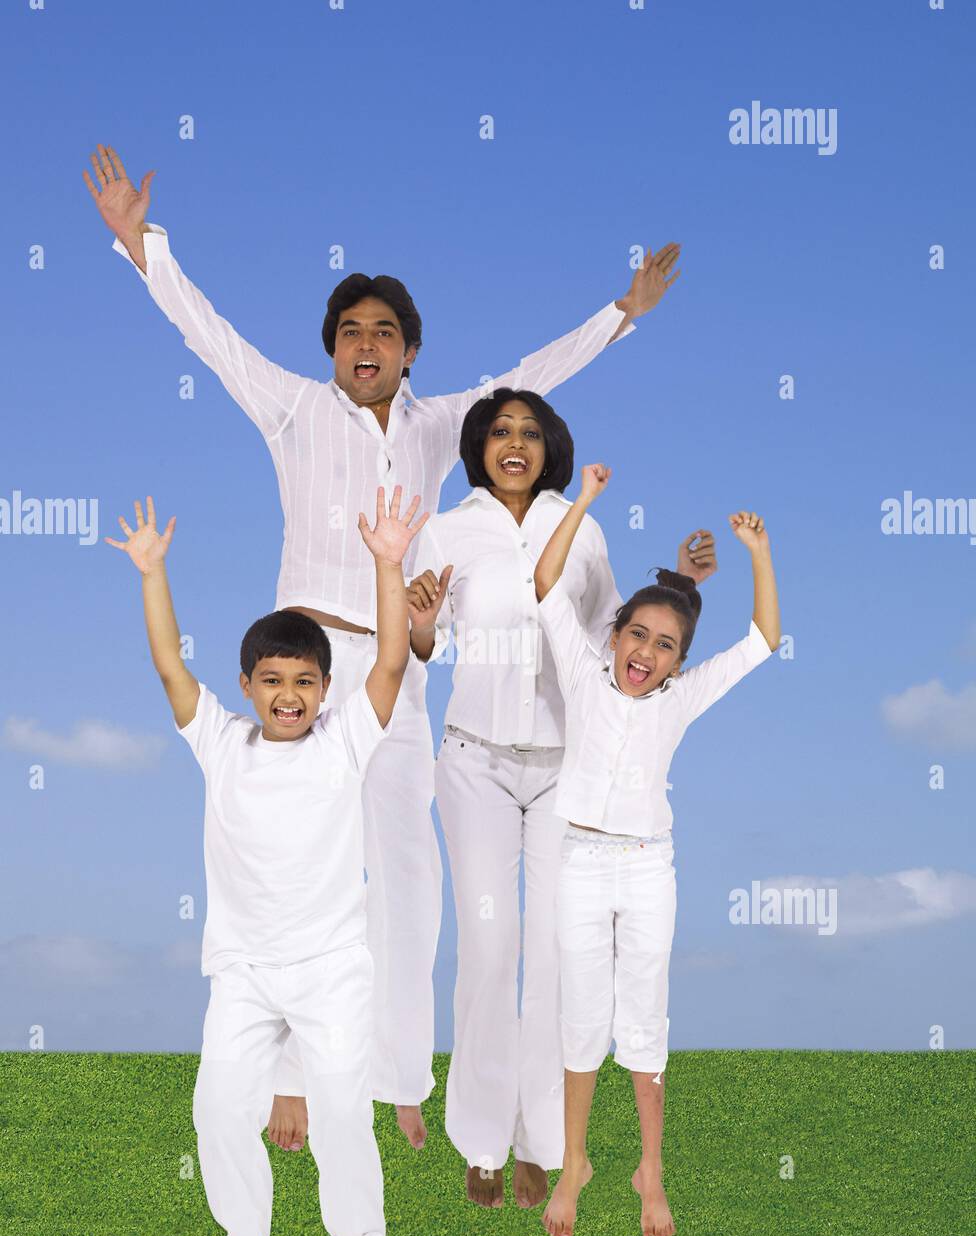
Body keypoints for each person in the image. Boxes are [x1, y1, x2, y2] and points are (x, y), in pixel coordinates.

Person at [83, 142, 682, 1153]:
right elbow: (210, 336)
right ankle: (288, 1076)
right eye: (350, 331)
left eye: (386, 332)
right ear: (331, 349)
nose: (367, 343)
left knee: (410, 874)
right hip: (310, 664)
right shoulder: (291, 407)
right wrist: (141, 244)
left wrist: (621, 314)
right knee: (299, 857)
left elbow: (530, 378)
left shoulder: (441, 421)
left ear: (410, 352)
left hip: (399, 669)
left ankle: (399, 1077)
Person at [105, 485, 428, 1236]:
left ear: (325, 690)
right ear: (247, 685)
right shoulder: (221, 743)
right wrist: (152, 572)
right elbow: (168, 664)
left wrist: (388, 563)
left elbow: (390, 660)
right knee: (217, 1107)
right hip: (244, 970)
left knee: (344, 1113)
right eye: (274, 680)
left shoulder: (345, 741)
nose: (290, 695)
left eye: (307, 682)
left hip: (331, 967)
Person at [407, 390, 716, 1209]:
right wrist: (424, 628)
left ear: (552, 449)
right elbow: (421, 641)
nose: (516, 444)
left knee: (552, 952)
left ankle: (543, 1143)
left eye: (531, 433)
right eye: (501, 431)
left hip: (562, 772)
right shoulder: (447, 530)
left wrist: (683, 585)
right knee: (488, 943)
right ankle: (479, 1141)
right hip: (472, 760)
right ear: (478, 446)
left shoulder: (581, 528)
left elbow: (621, 635)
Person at [532, 464, 780, 1236]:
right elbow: (544, 585)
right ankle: (575, 1162)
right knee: (580, 1018)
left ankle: (650, 1172)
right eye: (636, 633)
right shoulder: (582, 672)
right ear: (614, 635)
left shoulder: (684, 697)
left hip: (647, 867)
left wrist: (757, 554)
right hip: (577, 859)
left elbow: (765, 641)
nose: (645, 651)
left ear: (678, 660)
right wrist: (586, 502)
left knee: (643, 1022)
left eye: (665, 645)